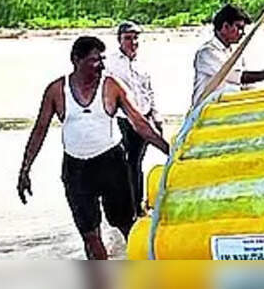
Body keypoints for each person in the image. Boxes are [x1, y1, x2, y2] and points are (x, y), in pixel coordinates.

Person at [17, 36, 169, 260]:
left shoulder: (111, 86)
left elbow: (139, 123)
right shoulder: (56, 91)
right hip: (76, 169)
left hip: (111, 164)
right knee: (90, 234)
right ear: (76, 60)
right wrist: (25, 169)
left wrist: (168, 150)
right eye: (94, 60)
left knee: (128, 226)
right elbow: (40, 130)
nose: (100, 65)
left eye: (102, 59)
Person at [105, 21, 162, 216]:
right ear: (119, 40)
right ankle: (133, 205)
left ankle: (136, 203)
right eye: (128, 38)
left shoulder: (142, 64)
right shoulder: (111, 63)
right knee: (130, 163)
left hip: (144, 117)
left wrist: (156, 116)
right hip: (123, 119)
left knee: (136, 162)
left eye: (135, 37)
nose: (133, 42)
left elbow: (149, 91)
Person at [191, 4, 264, 107]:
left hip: (225, 106)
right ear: (225, 27)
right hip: (205, 108)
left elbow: (244, 84)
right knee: (231, 90)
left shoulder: (234, 53)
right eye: (239, 28)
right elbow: (237, 77)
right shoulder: (207, 53)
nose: (242, 33)